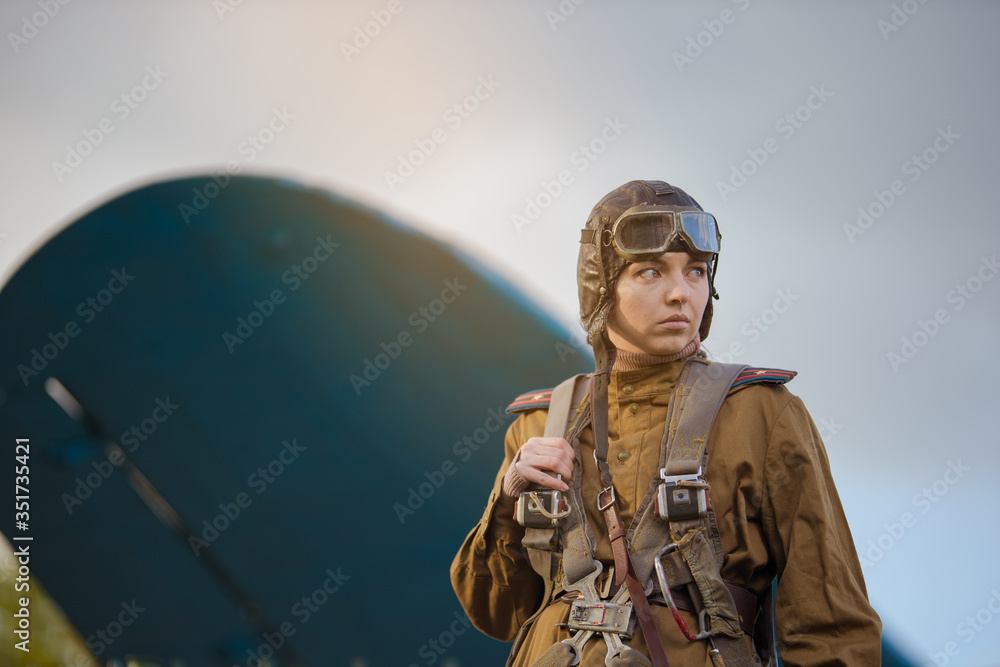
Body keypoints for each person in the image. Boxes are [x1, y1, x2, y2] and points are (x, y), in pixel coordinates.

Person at [451, 180, 881, 666]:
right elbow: (495, 612)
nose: (681, 294)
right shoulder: (540, 424)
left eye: (696, 271)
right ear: (601, 284)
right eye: (651, 272)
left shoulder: (762, 412)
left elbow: (832, 623)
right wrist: (508, 500)